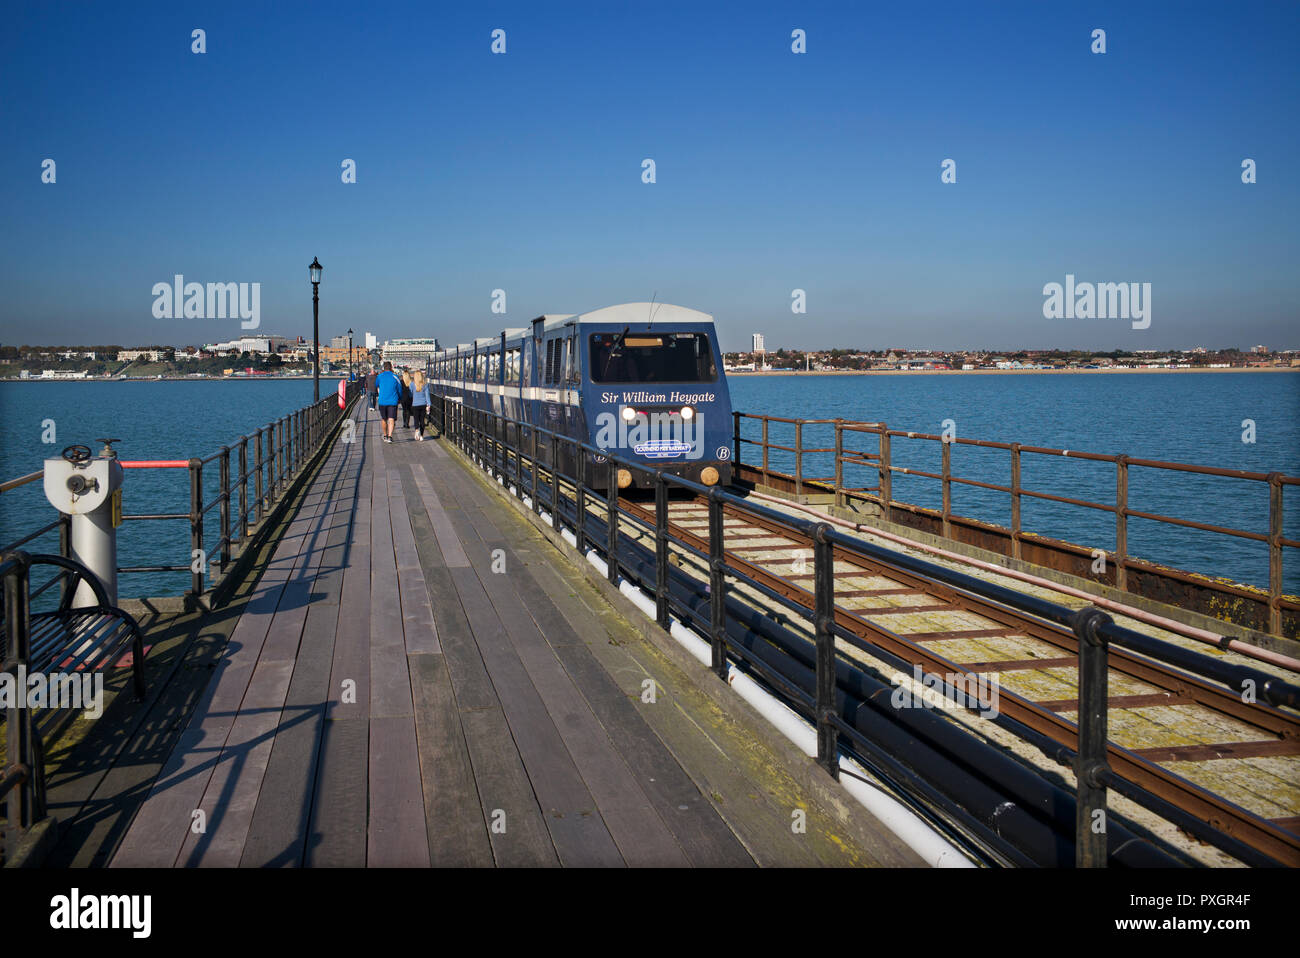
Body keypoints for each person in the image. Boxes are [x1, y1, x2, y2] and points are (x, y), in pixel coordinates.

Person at [374, 361, 402, 442]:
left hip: (382, 401)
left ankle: (385, 435)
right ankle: (390, 436)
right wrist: (399, 398)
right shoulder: (395, 377)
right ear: (391, 367)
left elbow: (376, 385)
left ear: (384, 368)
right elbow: (399, 389)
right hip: (393, 401)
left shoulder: (379, 376)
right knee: (391, 418)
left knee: (383, 419)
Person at [410, 370, 430, 441]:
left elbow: (410, 394)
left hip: (415, 404)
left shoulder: (412, 384)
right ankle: (421, 436)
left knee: (416, 419)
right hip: (423, 404)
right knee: (422, 420)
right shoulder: (425, 384)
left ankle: (416, 430)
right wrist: (429, 404)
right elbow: (427, 396)